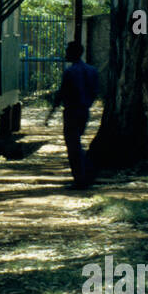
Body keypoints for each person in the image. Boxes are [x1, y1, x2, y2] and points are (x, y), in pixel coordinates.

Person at [50, 40, 99, 188]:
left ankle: (80, 179)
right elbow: (95, 91)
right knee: (77, 144)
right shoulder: (92, 70)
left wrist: (51, 111)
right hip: (84, 111)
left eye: (67, 51)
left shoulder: (70, 72)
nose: (65, 53)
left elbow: (62, 93)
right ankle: (86, 175)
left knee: (73, 147)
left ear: (72, 53)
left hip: (71, 111)